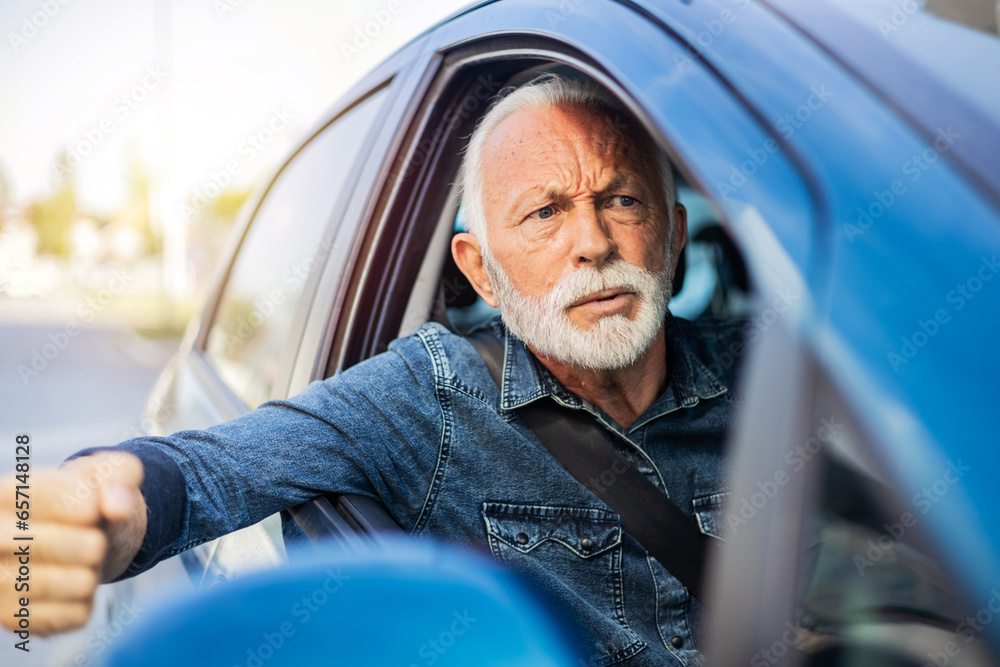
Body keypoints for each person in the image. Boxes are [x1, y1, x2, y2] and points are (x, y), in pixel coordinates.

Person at [0, 74, 745, 666]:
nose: (593, 241)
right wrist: (81, 503)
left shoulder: (770, 379)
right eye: (544, 213)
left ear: (673, 235)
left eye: (621, 200)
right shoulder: (431, 395)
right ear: (481, 273)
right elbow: (209, 473)